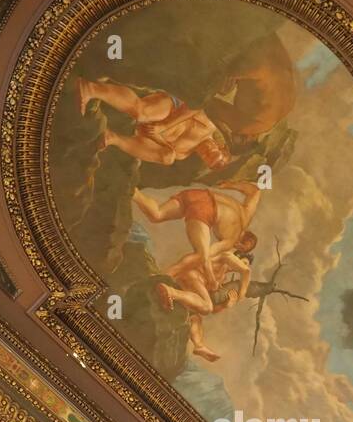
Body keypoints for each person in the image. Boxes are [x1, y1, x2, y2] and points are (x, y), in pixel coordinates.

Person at [77, 78, 230, 169]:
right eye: (212, 153)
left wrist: (157, 136)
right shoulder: (208, 127)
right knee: (142, 113)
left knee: (168, 158)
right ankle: (91, 88)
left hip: (149, 130)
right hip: (171, 109)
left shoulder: (184, 154)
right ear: (220, 147)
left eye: (205, 158)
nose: (205, 153)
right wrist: (164, 126)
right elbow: (194, 107)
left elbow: (159, 144)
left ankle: (113, 138)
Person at [133, 180, 260, 285]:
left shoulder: (246, 214)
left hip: (198, 195)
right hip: (205, 210)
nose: (235, 248)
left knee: (157, 214)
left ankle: (133, 192)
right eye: (239, 248)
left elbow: (255, 191)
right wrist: (211, 280)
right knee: (200, 255)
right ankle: (164, 276)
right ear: (240, 245)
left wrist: (229, 184)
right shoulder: (232, 240)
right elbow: (205, 257)